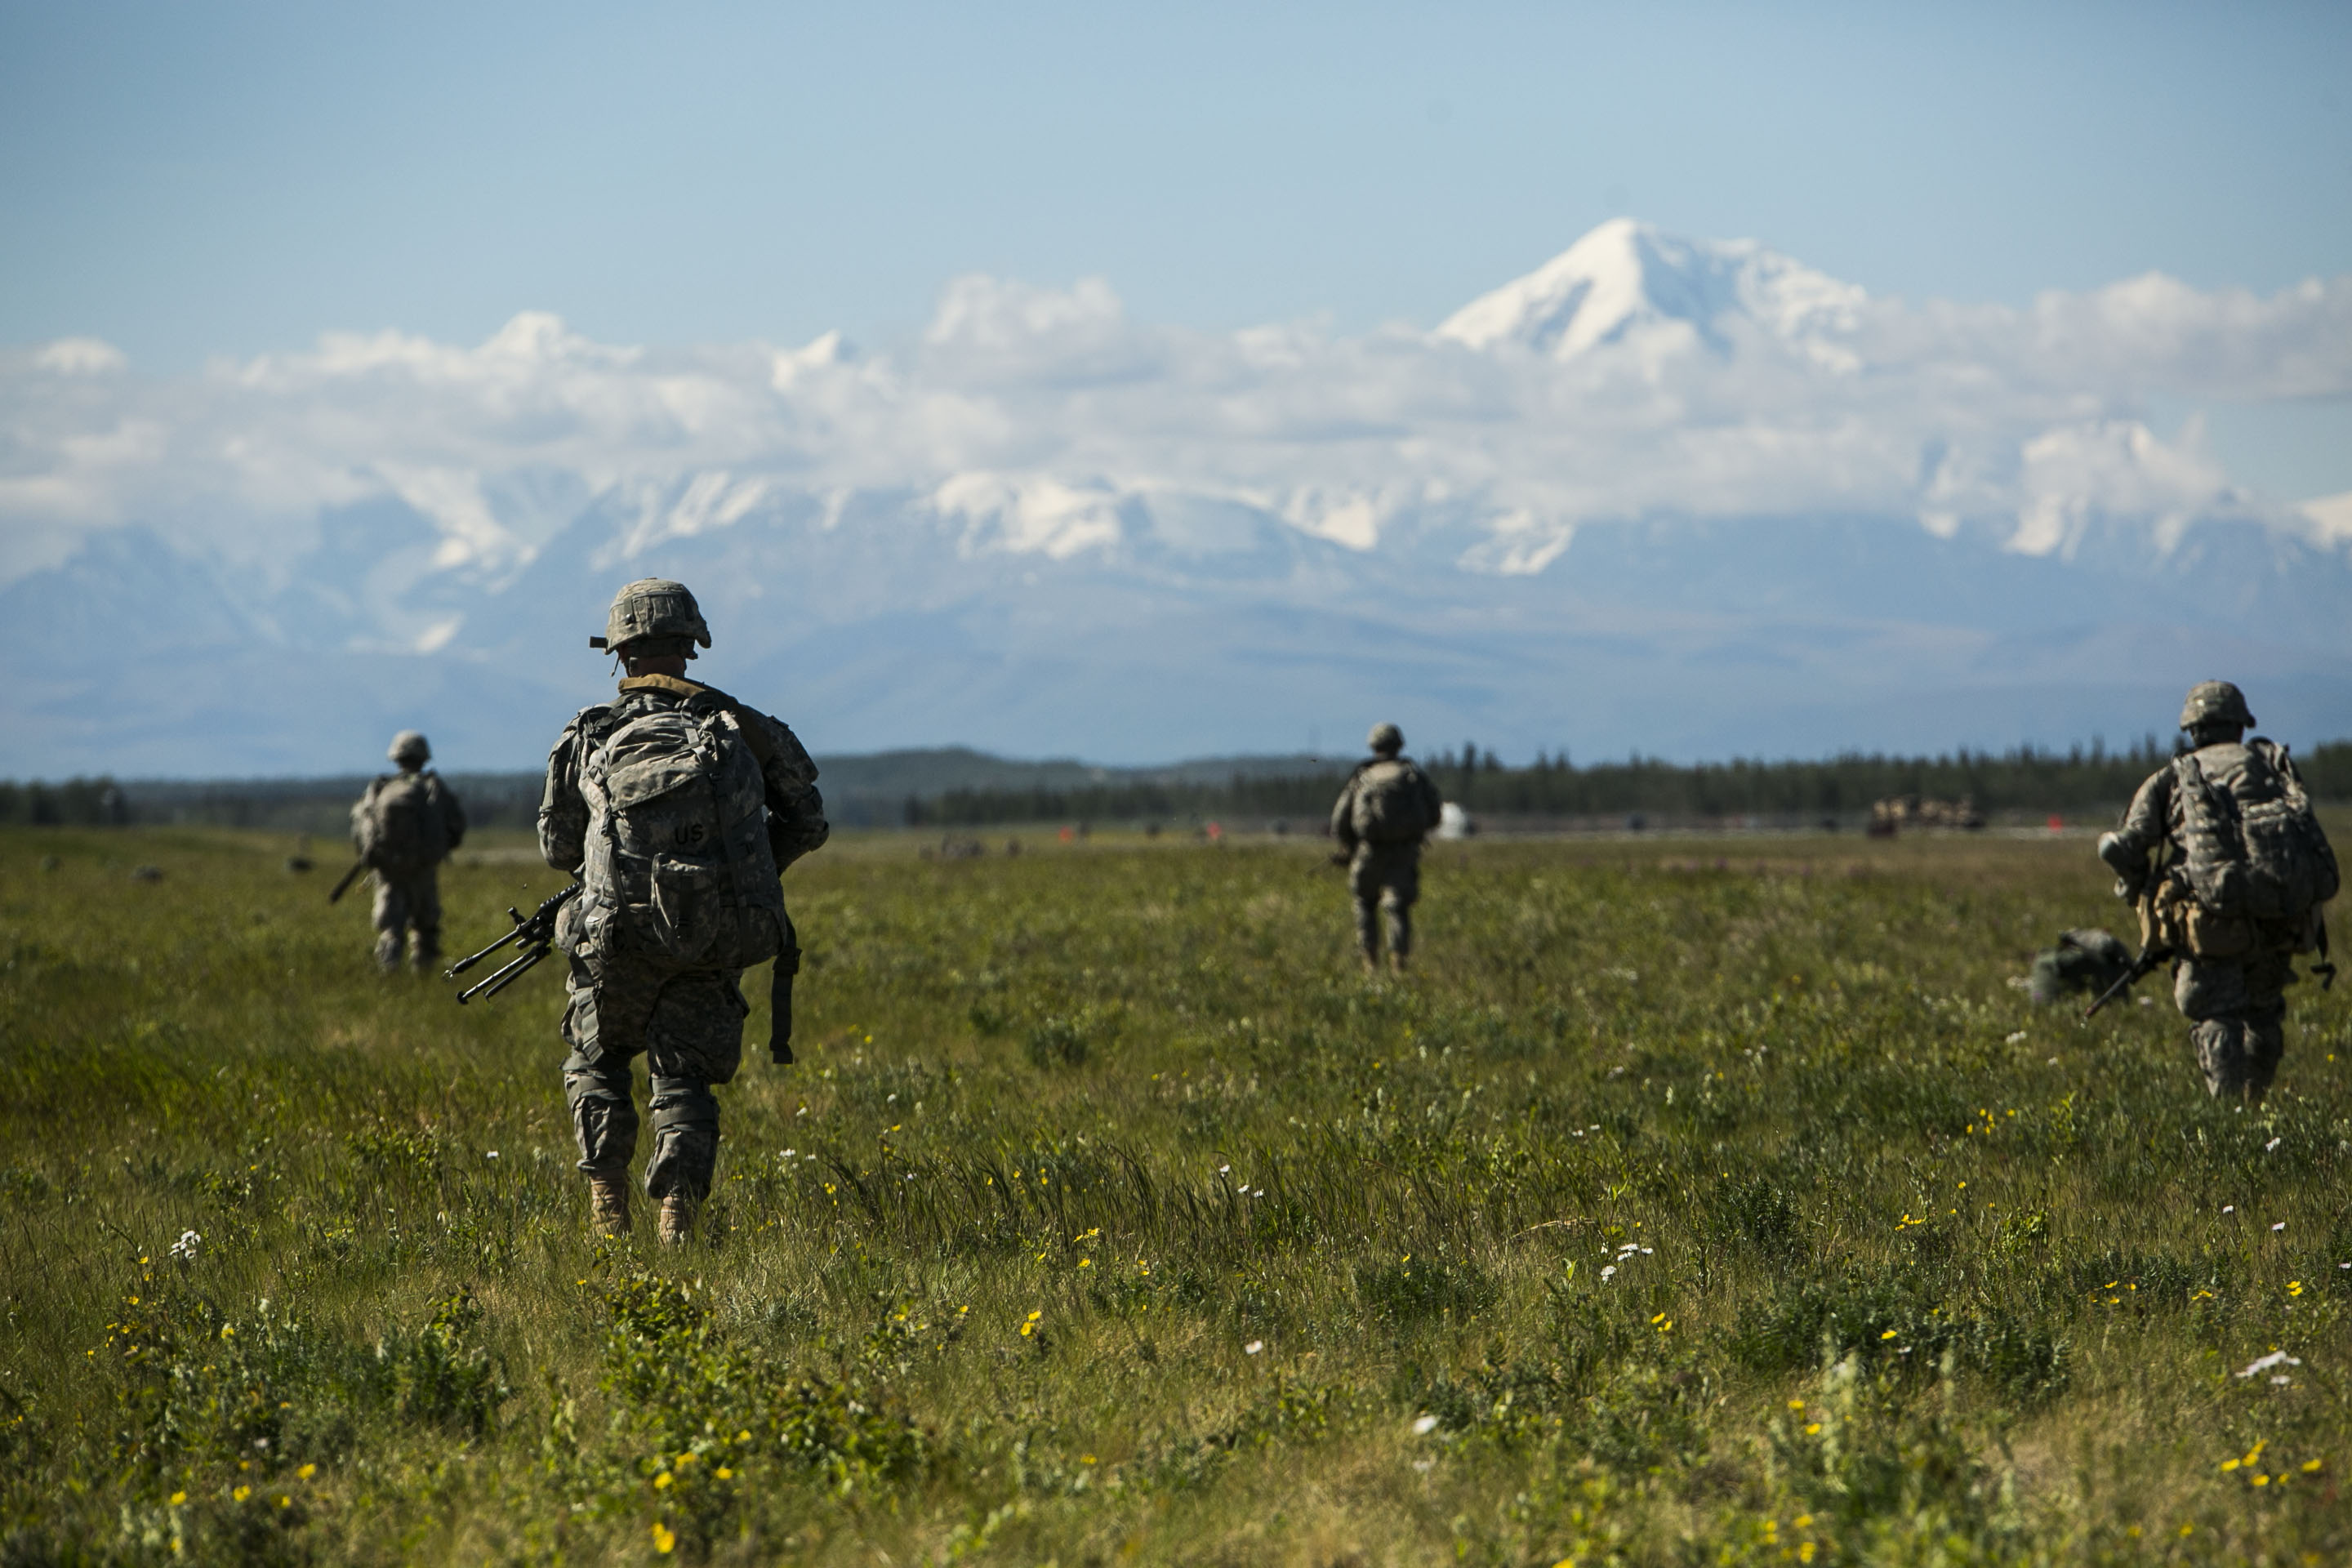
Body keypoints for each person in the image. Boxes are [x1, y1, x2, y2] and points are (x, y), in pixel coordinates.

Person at [539, 579, 828, 1243]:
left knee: (597, 1063)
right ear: (692, 644)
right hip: (713, 938)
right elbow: (809, 823)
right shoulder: (744, 729)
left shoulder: (589, 734)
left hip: (614, 939)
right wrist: (737, 877)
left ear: (619, 651)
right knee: (685, 1080)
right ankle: (677, 1221)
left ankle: (608, 1210)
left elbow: (558, 849)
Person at [2097, 681, 2338, 1103]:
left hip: (2210, 922)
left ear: (2192, 727)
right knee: (2264, 1012)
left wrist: (2137, 888)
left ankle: (2227, 1114)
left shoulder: (2174, 776)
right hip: (2279, 913)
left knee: (2216, 1013)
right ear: (2241, 724)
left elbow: (2122, 847)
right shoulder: (2270, 765)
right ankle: (2257, 1105)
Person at [1329, 723, 1445, 974]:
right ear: (1398, 744)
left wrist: (1348, 847)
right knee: (1396, 906)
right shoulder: (1411, 775)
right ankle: (1398, 964)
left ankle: (1370, 964)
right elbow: (1434, 813)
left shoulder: (1363, 776)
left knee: (1364, 902)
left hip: (1368, 851)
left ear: (1373, 745)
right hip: (1403, 852)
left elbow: (1340, 819)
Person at [351, 731, 466, 972]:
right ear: (424, 757)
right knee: (426, 928)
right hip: (423, 868)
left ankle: (389, 972)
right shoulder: (432, 787)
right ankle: (424, 976)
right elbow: (456, 825)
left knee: (390, 928)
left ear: (396, 757)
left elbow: (361, 825)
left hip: (388, 870)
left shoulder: (380, 788)